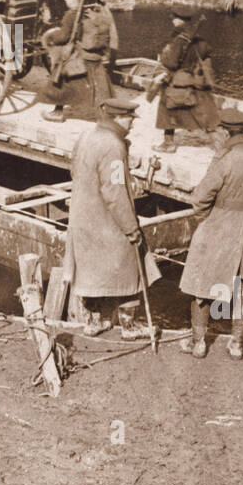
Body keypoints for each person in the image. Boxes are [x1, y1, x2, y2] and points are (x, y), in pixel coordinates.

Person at [177, 107, 243, 360]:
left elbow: (200, 198)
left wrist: (208, 222)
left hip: (219, 227)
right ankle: (236, 345)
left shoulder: (224, 160)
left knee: (203, 285)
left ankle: (198, 343)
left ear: (224, 132)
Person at [63, 97, 157, 339]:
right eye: (129, 118)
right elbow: (115, 193)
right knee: (132, 264)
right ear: (116, 118)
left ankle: (96, 321)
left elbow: (74, 169)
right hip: (106, 220)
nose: (133, 123)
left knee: (91, 270)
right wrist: (131, 228)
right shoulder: (113, 146)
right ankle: (129, 326)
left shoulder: (87, 135)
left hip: (82, 217)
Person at [39, 0, 117, 122]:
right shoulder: (92, 11)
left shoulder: (71, 15)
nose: (65, 0)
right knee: (101, 83)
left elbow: (63, 37)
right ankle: (108, 113)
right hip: (95, 54)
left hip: (79, 55)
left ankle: (58, 112)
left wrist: (51, 37)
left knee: (59, 77)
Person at [150, 6, 220, 152]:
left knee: (166, 110)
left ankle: (168, 144)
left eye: (174, 18)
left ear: (177, 20)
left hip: (177, 80)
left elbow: (171, 63)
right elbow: (207, 52)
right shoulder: (198, 37)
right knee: (205, 113)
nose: (173, 21)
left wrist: (163, 57)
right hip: (195, 81)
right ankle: (220, 145)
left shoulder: (178, 38)